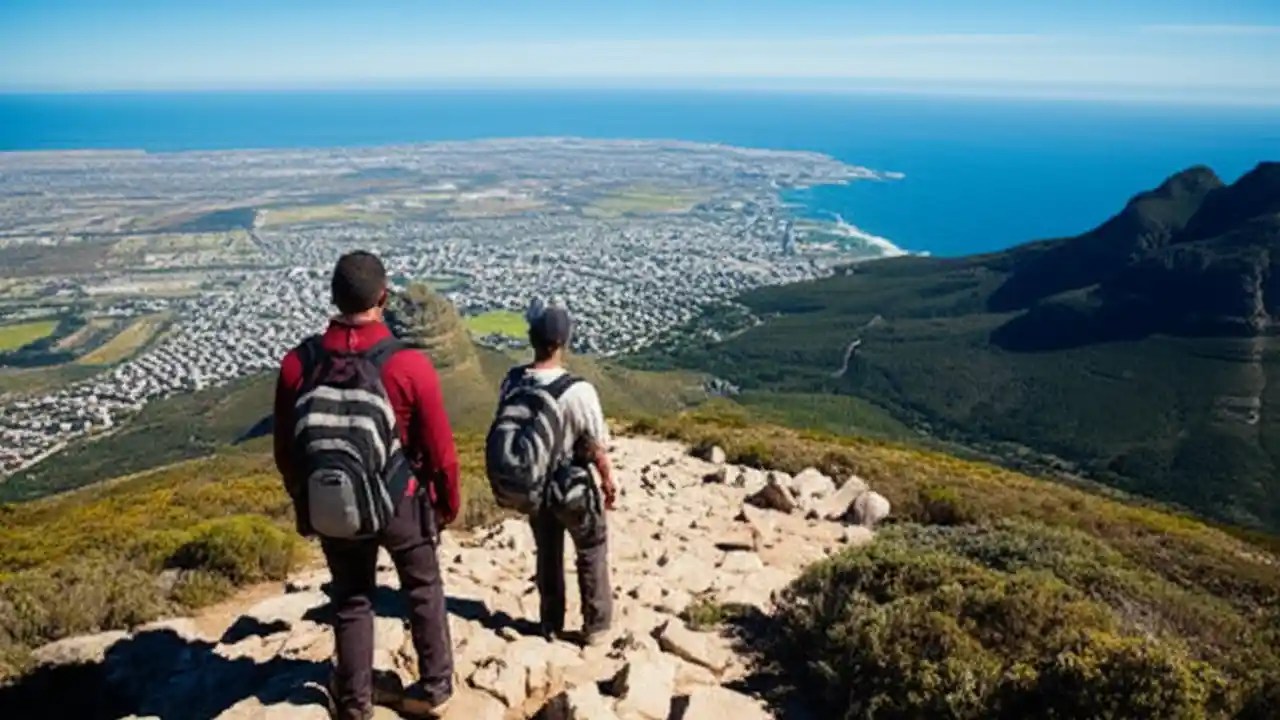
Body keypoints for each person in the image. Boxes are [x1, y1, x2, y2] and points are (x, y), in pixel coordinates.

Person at [274, 251, 459, 720]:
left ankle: (355, 704)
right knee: (422, 587)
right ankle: (434, 688)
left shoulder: (299, 364)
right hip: (401, 501)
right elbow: (440, 452)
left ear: (333, 297)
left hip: (336, 501)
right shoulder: (408, 366)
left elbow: (286, 450)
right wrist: (445, 505)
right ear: (383, 298)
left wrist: (308, 501)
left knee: (352, 598)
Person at [499, 298, 616, 645]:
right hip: (573, 483)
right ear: (564, 342)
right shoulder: (578, 391)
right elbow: (596, 443)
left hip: (534, 483)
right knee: (591, 547)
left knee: (547, 553)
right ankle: (596, 627)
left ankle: (550, 623)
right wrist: (608, 478)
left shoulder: (513, 381)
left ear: (531, 337)